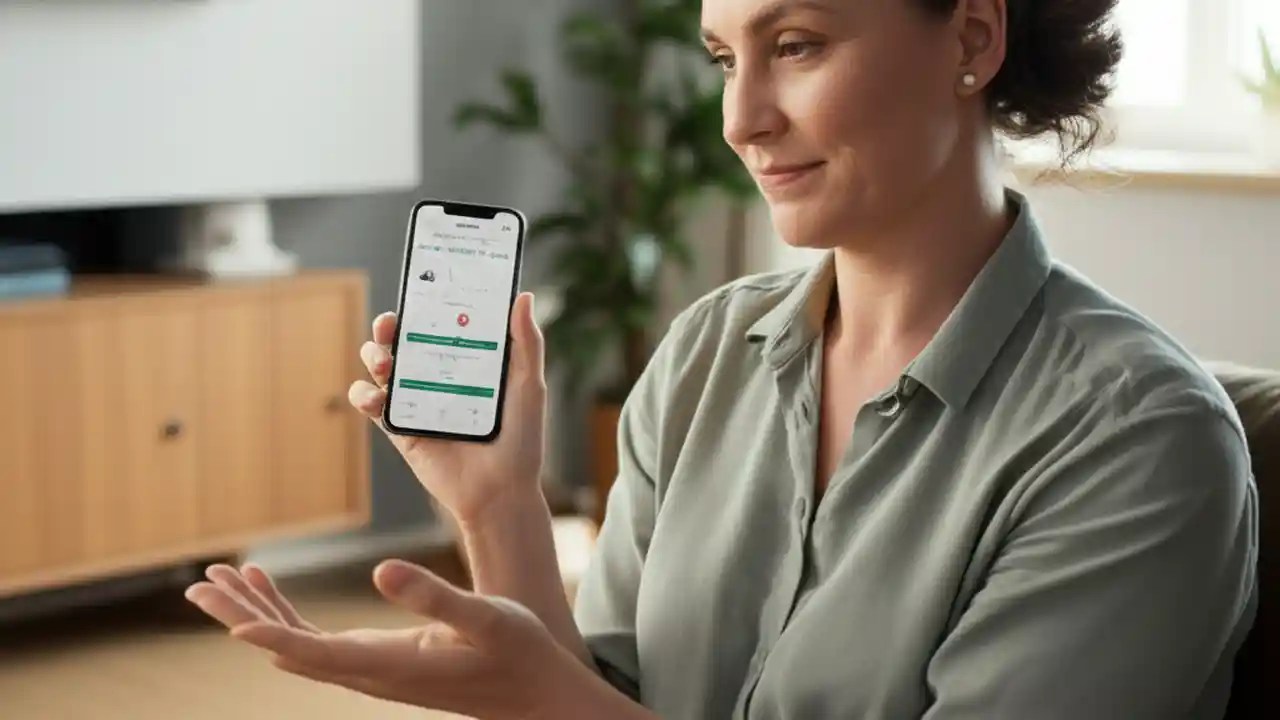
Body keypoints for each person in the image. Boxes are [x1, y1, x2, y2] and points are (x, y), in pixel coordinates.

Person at [184, 0, 1259, 717]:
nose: (740, 119)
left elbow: (573, 708)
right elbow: (605, 689)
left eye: (794, 45)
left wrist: (548, 702)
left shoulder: (1139, 439)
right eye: (720, 58)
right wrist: (499, 503)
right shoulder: (706, 355)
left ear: (969, 39)